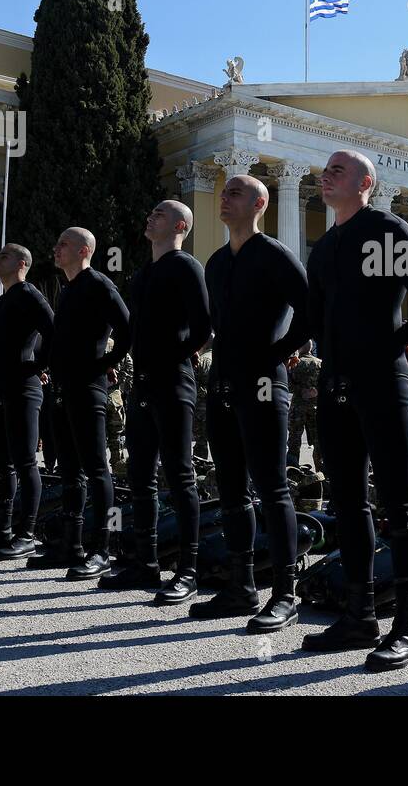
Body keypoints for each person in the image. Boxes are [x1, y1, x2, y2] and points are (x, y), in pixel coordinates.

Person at [302, 149, 408, 671]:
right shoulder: (325, 248)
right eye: (326, 169)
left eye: (338, 169)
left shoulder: (387, 229)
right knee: (346, 501)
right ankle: (359, 615)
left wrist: (394, 343)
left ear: (366, 183)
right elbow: (316, 315)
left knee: (399, 500)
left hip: (384, 383)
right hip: (336, 386)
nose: (326, 173)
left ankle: (407, 626)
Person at [190, 179, 308, 630]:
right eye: (223, 193)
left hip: (264, 385)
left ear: (259, 204)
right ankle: (241, 586)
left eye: (235, 193)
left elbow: (309, 308)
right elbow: (213, 325)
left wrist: (279, 352)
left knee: (272, 487)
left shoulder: (274, 254)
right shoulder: (217, 263)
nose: (224, 198)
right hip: (222, 385)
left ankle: (285, 591)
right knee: (232, 488)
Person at [101, 201, 210, 603]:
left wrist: (175, 355)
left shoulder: (186, 266)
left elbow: (203, 326)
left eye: (160, 214)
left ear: (180, 225)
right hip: (143, 385)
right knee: (140, 474)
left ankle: (188, 569)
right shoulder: (143, 273)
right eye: (151, 213)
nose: (150, 216)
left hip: (174, 381)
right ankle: (144, 562)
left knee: (180, 475)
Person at [32, 227, 130, 579]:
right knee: (70, 469)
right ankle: (70, 544)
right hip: (62, 390)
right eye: (56, 243)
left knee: (96, 469)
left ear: (84, 250)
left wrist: (103, 366)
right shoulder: (68, 289)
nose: (56, 249)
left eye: (64, 244)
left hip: (88, 390)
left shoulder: (99, 284)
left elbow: (126, 329)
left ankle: (104, 548)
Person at [0, 243, 55, 560]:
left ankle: (26, 534)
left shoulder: (29, 293)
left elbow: (53, 331)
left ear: (21, 263)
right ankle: (0, 530)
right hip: (0, 390)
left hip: (24, 390)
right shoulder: (3, 300)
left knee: (26, 462)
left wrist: (37, 367)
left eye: (4, 256)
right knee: (2, 462)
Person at [286, 343, 322, 470]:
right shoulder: (320, 363)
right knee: (319, 440)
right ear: (311, 348)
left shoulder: (295, 363)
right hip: (315, 408)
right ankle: (321, 469)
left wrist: (300, 390)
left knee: (294, 440)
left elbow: (288, 386)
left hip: (297, 408)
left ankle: (292, 469)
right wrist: (315, 391)